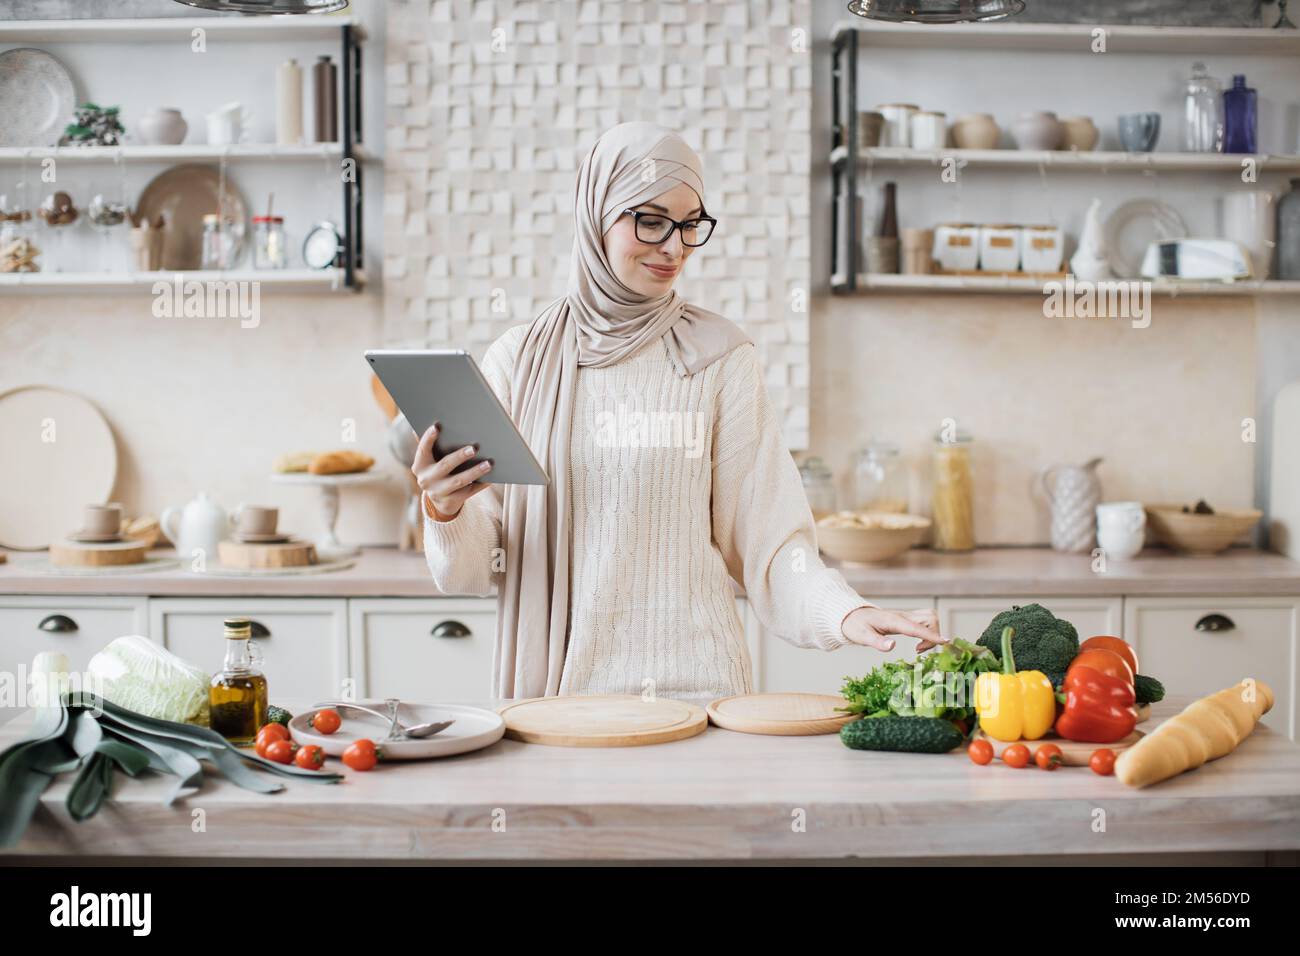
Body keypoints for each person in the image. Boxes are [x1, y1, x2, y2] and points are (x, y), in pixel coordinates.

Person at [415, 121, 944, 701]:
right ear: (597, 216)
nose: (674, 247)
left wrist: (845, 611)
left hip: (700, 693)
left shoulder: (719, 357)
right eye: (650, 220)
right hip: (558, 706)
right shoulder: (521, 361)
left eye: (690, 225)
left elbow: (769, 543)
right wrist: (444, 509)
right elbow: (472, 572)